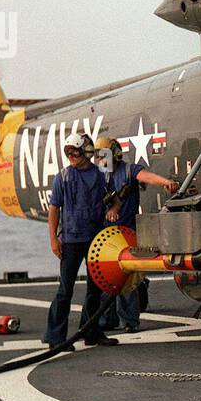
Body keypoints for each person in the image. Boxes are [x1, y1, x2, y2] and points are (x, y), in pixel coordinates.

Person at [93, 136, 180, 334]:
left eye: (103, 155)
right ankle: (108, 318)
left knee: (127, 281)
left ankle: (130, 320)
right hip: (107, 236)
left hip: (127, 234)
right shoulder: (99, 176)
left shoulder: (129, 170)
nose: (100, 160)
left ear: (114, 153)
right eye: (98, 156)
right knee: (108, 278)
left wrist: (165, 182)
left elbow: (146, 176)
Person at [44, 132, 117, 350]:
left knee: (95, 290)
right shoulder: (63, 177)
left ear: (85, 151)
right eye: (68, 153)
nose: (71, 156)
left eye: (74, 152)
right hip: (71, 240)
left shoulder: (102, 175)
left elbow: (116, 200)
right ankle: (56, 338)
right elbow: (54, 210)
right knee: (65, 290)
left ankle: (91, 332)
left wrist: (113, 209)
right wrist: (53, 241)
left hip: (96, 240)